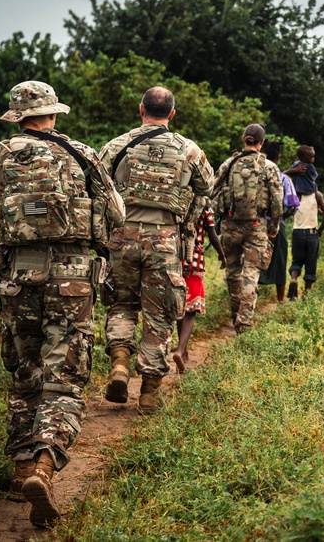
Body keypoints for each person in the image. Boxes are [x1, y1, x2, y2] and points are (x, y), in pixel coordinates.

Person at [0, 81, 126, 528]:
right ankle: (44, 465)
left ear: (16, 115)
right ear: (53, 114)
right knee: (65, 376)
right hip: (73, 277)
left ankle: (19, 472)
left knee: (24, 370)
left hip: (19, 277)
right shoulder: (82, 155)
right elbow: (116, 213)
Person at [99, 87, 215, 414]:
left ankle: (120, 361)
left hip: (121, 237)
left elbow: (95, 187)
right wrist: (187, 222)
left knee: (121, 302)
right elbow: (207, 190)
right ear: (172, 114)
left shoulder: (115, 146)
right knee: (159, 312)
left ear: (141, 110)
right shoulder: (189, 150)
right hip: (164, 239)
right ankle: (149, 391)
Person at [211, 124, 284, 333]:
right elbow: (277, 200)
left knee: (233, 272)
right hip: (256, 225)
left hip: (230, 224)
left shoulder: (229, 163)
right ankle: (244, 322)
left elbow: (212, 188)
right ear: (262, 142)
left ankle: (236, 315)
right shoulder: (269, 166)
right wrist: (274, 226)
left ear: (244, 138)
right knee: (251, 273)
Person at [173, 196, 226, 373]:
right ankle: (181, 349)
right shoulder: (206, 207)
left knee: (180, 304)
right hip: (195, 260)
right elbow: (212, 235)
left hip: (174, 257)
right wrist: (221, 254)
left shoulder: (178, 200)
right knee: (192, 308)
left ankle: (183, 349)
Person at [259, 141, 299, 303]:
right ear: (277, 157)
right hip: (278, 223)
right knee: (280, 259)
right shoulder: (284, 178)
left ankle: (251, 295)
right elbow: (293, 204)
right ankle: (280, 299)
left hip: (257, 223)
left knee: (254, 259)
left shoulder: (256, 175)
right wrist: (285, 216)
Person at [286, 185, 324, 300]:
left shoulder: (294, 194)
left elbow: (289, 211)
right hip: (312, 233)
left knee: (297, 260)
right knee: (311, 262)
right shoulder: (317, 195)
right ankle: (306, 294)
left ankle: (293, 279)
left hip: (297, 232)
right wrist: (320, 230)